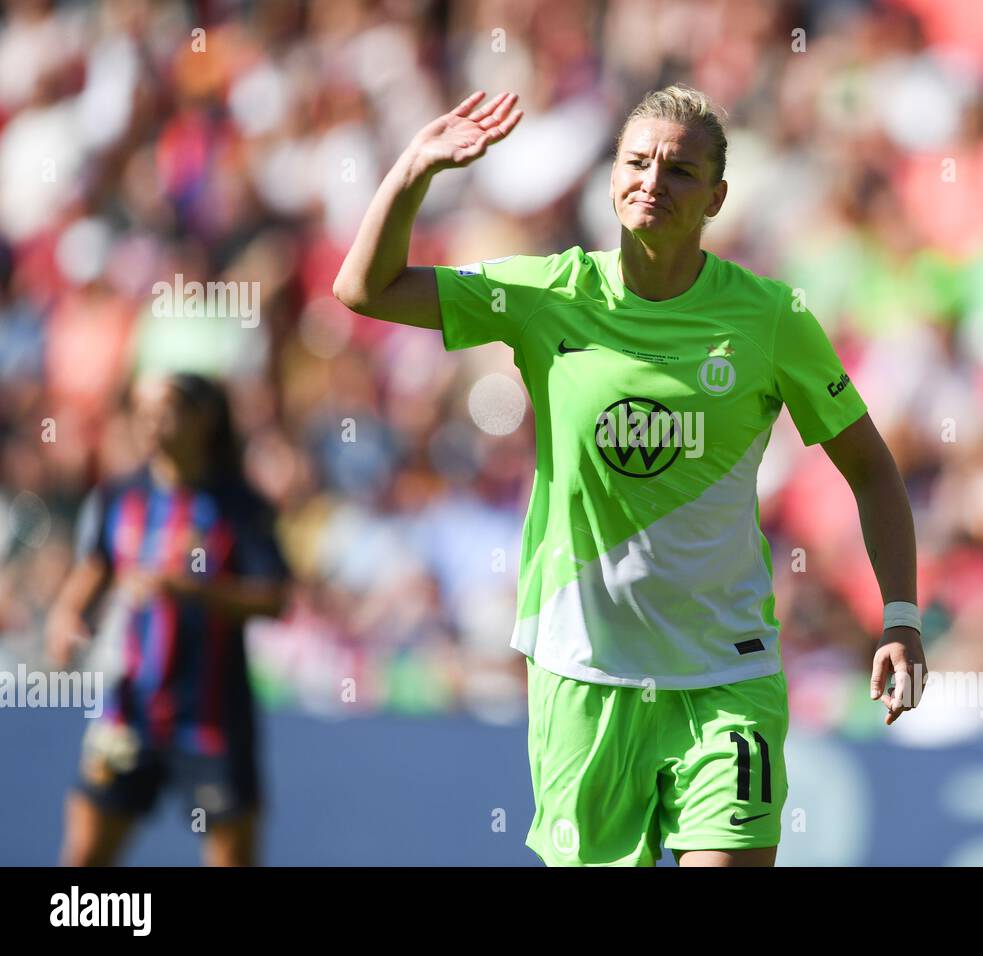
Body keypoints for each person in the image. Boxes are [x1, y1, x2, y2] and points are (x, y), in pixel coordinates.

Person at [334, 85, 927, 867]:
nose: (653, 182)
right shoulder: (549, 293)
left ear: (716, 197)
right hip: (584, 673)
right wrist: (414, 168)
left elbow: (873, 472)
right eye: (637, 162)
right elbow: (364, 289)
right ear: (610, 178)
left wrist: (902, 615)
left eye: (680, 171)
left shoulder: (770, 317)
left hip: (724, 673)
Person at [45, 372, 291, 866]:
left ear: (204, 419)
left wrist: (195, 591)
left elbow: (275, 598)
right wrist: (68, 620)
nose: (152, 423)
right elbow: (93, 574)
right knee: (85, 856)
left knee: (230, 855)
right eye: (142, 411)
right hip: (128, 711)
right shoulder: (121, 496)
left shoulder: (239, 507)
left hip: (212, 717)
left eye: (166, 410)